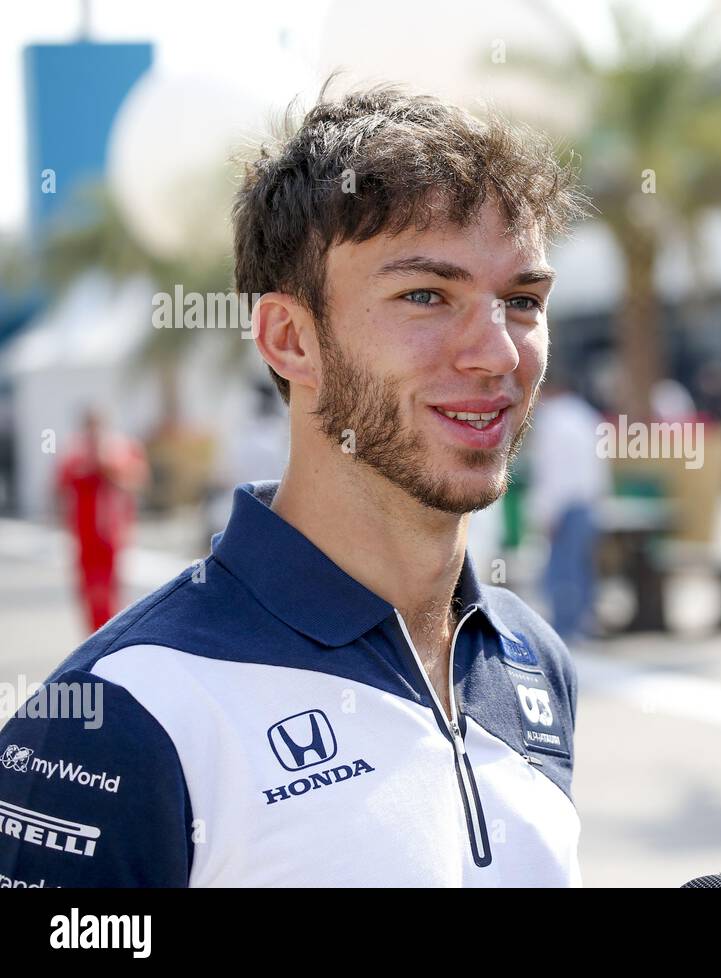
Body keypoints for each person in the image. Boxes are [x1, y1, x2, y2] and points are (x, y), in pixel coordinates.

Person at [0, 85, 591, 886]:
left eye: (522, 301)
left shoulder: (530, 657)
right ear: (289, 338)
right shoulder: (121, 715)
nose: (496, 354)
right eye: (426, 295)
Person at [525, 376, 610, 641]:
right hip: (588, 503)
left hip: (565, 505)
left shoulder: (553, 422)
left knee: (562, 571)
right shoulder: (585, 416)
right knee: (583, 569)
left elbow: (552, 472)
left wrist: (546, 512)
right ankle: (584, 622)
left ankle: (565, 628)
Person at [54, 407, 147, 632]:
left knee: (112, 586)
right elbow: (61, 488)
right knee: (89, 588)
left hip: (112, 531)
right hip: (85, 534)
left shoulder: (119, 450)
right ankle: (93, 634)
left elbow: (137, 479)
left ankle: (112, 633)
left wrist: (109, 469)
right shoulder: (74, 455)